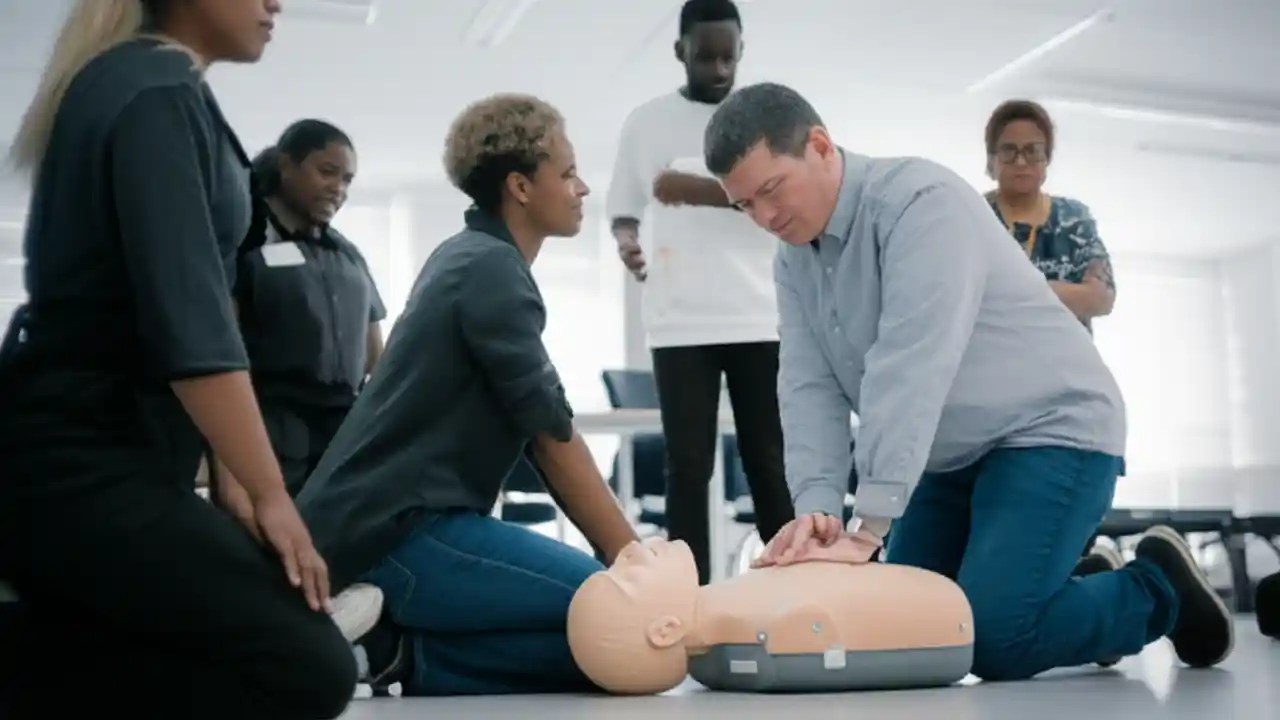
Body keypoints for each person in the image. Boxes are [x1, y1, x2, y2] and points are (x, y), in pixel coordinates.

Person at [699, 81, 1234, 681]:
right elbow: (807, 384)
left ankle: (1157, 587)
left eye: (771, 189)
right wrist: (819, 512)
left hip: (1052, 429)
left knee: (993, 638)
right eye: (744, 205)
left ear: (820, 146)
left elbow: (910, 365)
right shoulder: (793, 257)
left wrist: (869, 524)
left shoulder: (919, 204)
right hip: (949, 456)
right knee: (919, 624)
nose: (765, 218)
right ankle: (1075, 590)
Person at [0, 1, 363, 717]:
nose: (275, 3)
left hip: (101, 457)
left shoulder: (155, 86)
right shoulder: (154, 93)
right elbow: (191, 322)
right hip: (73, 462)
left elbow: (197, 316)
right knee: (307, 668)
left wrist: (234, 478)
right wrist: (269, 493)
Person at [296, 93, 640, 696]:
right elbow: (550, 433)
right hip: (397, 531)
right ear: (521, 187)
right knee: (626, 621)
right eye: (567, 172)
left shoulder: (468, 258)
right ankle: (381, 642)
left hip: (387, 529)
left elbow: (541, 430)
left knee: (622, 642)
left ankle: (396, 652)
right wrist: (634, 562)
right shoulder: (490, 269)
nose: (582, 187)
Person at [606, 0, 793, 585]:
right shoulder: (647, 122)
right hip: (680, 321)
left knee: (768, 462)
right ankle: (689, 597)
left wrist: (688, 186)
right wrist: (628, 241)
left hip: (761, 316)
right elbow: (625, 207)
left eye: (728, 56)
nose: (718, 68)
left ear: (742, 51)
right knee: (687, 466)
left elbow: (782, 195)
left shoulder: (766, 119)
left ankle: (791, 584)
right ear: (680, 52)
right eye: (705, 55)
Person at [223, 119, 387, 497]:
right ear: (286, 165)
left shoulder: (348, 256)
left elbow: (377, 360)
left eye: (347, 180)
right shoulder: (242, 242)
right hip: (269, 430)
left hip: (342, 434)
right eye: (327, 172)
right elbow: (218, 350)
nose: (338, 189)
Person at [984, 99, 1116, 331]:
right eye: (1009, 150)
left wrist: (1010, 291)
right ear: (991, 161)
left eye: (1032, 151)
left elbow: (1100, 299)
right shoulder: (974, 216)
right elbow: (960, 297)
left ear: (1046, 159)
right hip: (992, 362)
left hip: (1064, 364)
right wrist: (1064, 293)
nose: (1021, 161)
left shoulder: (1074, 219)